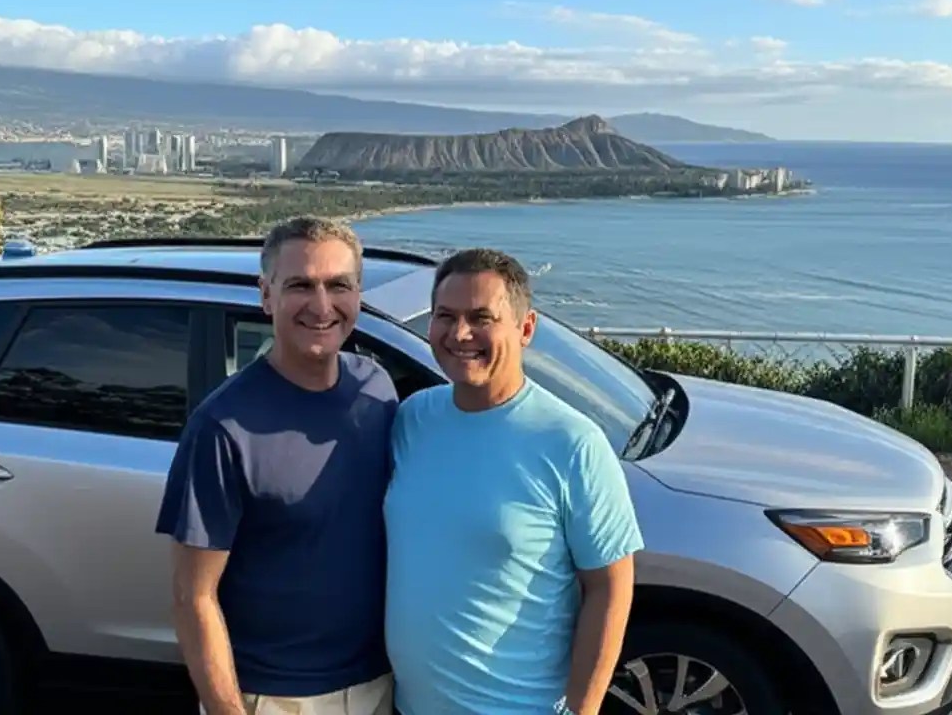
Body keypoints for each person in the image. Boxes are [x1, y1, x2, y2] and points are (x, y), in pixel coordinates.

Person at [383, 247, 644, 715]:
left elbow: (610, 588)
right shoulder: (413, 418)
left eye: (481, 317)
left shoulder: (572, 443)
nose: (460, 334)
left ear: (526, 329)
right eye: (445, 316)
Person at [155, 216, 397, 715]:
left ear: (358, 295)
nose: (322, 305)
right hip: (275, 698)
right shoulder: (223, 428)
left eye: (339, 286)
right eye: (300, 285)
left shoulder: (377, 388)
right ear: (266, 296)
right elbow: (192, 597)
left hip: (380, 683)